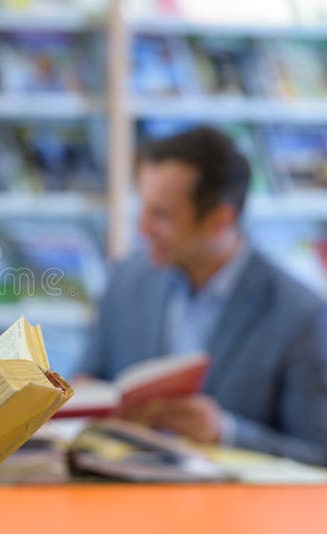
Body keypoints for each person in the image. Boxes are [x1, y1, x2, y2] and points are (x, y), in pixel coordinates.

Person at [80, 126, 327, 466]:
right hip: (123, 495)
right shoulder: (128, 280)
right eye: (144, 208)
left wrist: (226, 432)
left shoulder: (299, 313)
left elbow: (318, 454)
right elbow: (89, 377)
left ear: (219, 220)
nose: (143, 228)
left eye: (162, 215)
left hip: (234, 513)